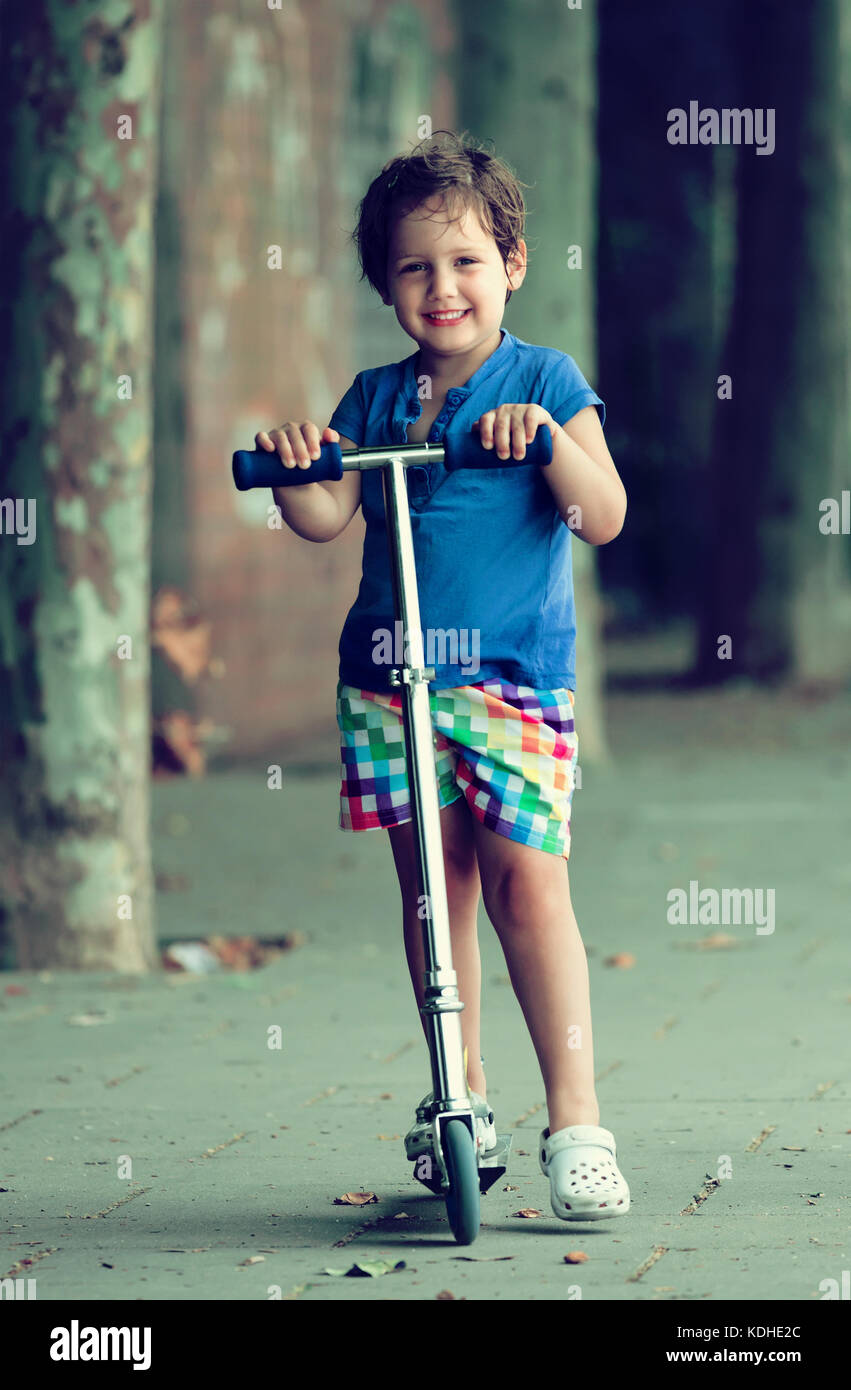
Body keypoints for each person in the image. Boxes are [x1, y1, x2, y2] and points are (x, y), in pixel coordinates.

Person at [255, 131, 630, 1221]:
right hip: (388, 678)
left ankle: (576, 1119)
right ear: (386, 284)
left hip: (509, 680)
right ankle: (457, 1092)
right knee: (433, 888)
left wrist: (546, 441)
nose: (443, 286)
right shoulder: (375, 397)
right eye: (415, 267)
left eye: (465, 261)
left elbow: (597, 515)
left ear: (510, 264)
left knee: (526, 882)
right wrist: (295, 470)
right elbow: (330, 517)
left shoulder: (543, 380)